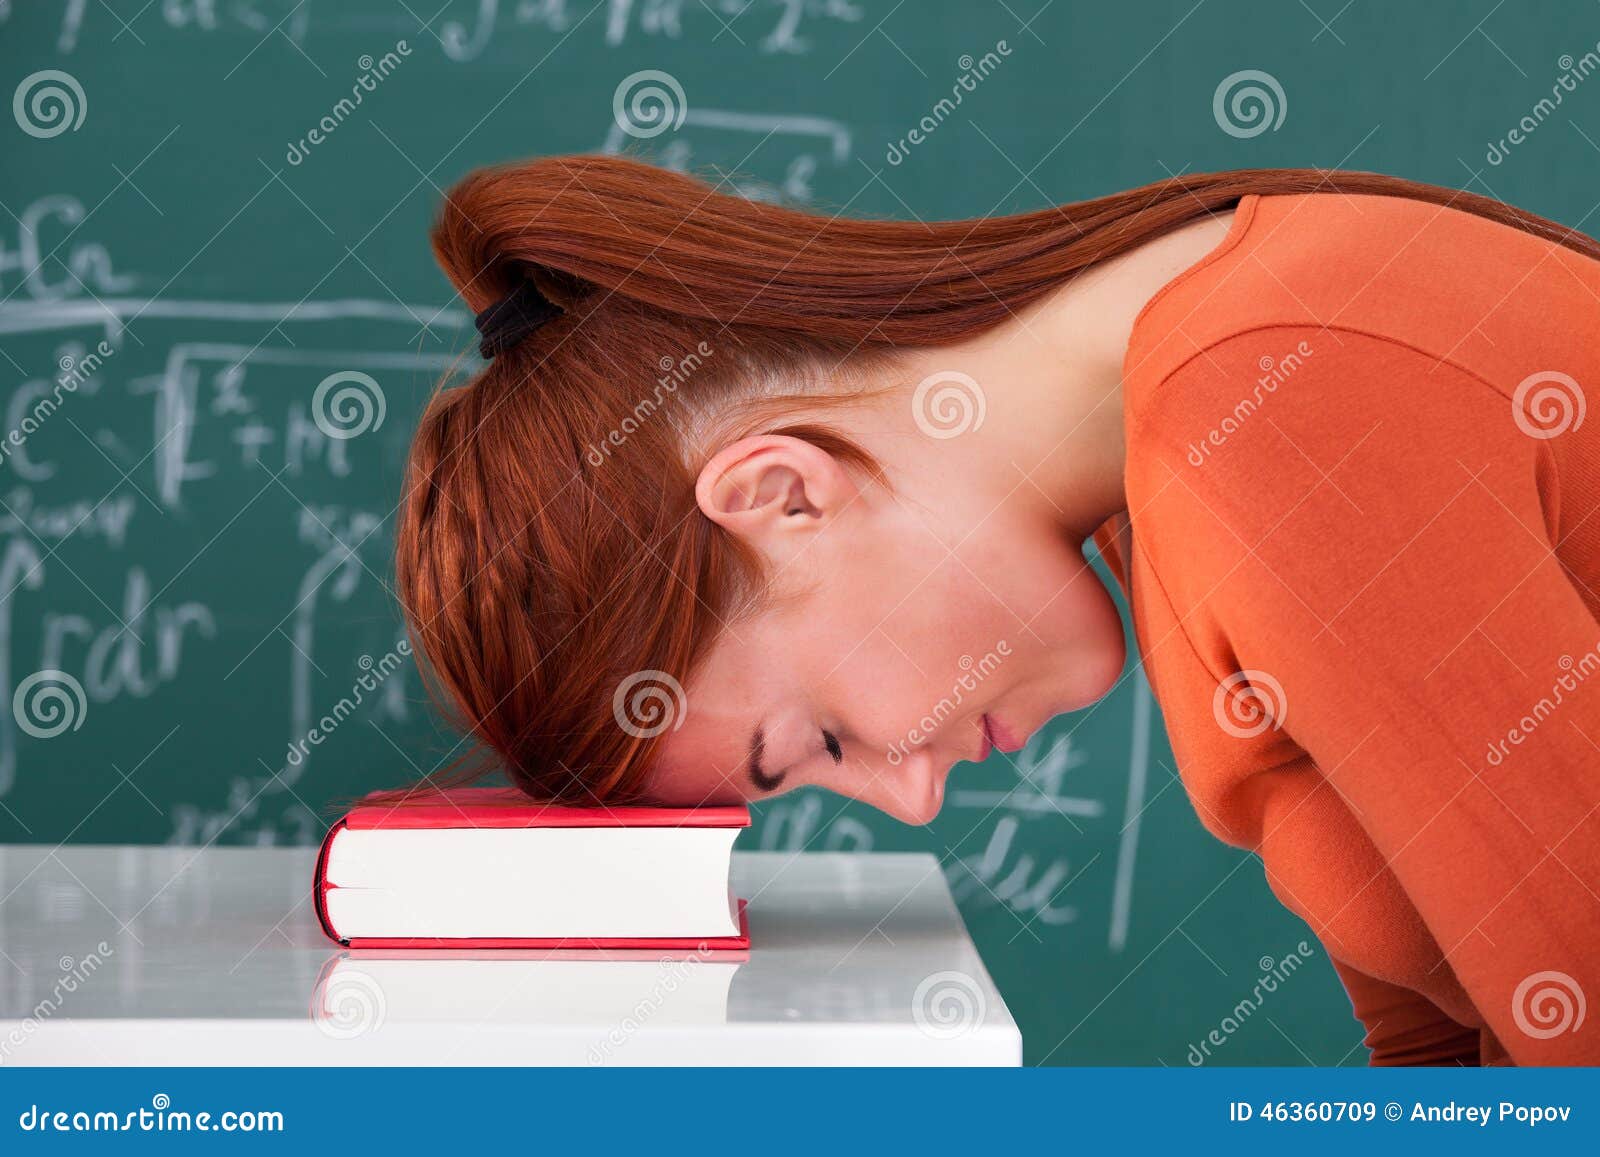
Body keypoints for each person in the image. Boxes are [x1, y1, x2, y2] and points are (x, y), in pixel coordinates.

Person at [395, 156, 1600, 1065]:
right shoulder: (1179, 452)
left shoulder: (1265, 408)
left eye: (820, 739)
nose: (914, 796)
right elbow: (1449, 1061)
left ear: (782, 495)